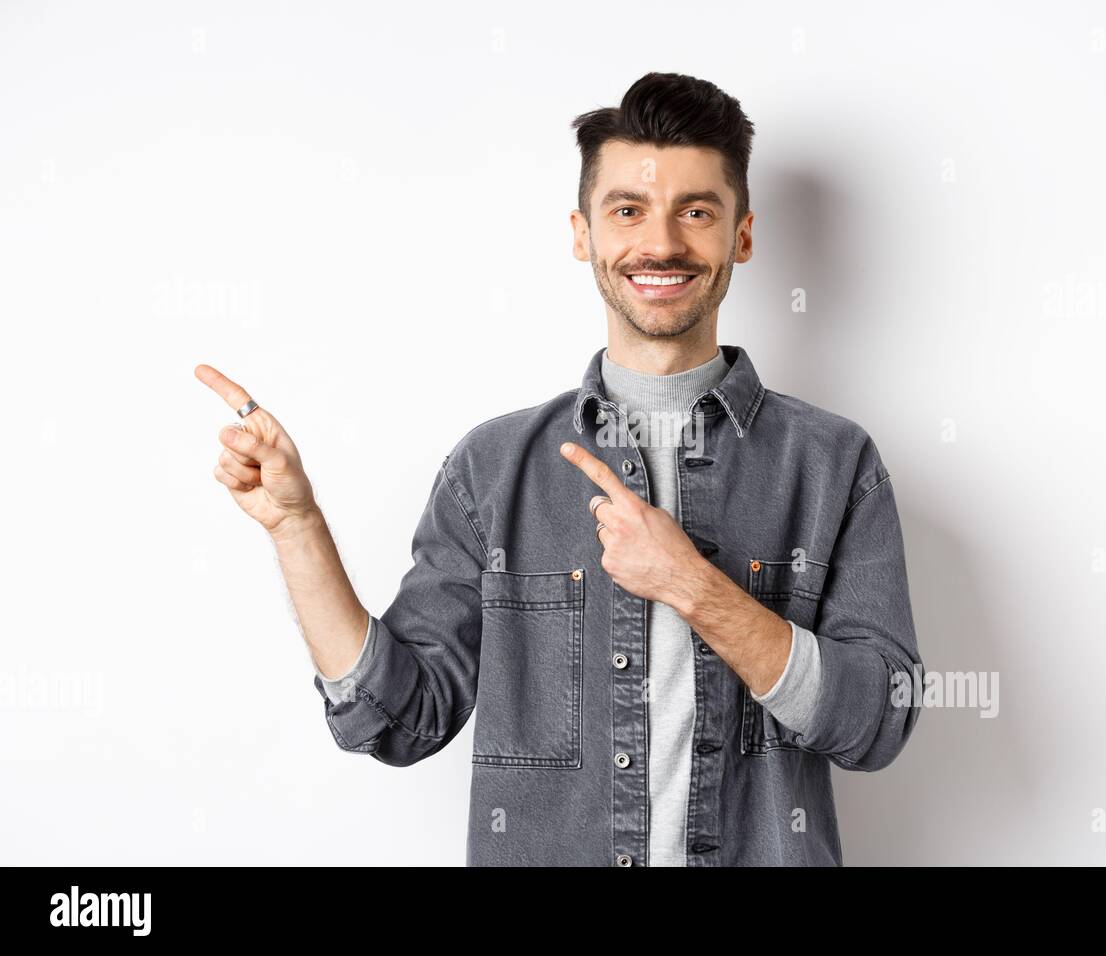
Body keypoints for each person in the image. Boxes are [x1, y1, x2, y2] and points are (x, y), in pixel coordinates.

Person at [196, 71, 923, 867]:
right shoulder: (492, 468)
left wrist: (693, 585)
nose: (661, 244)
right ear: (583, 234)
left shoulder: (833, 464)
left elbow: (877, 722)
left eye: (697, 211)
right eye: (627, 211)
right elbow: (395, 722)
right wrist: (298, 528)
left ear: (741, 237)